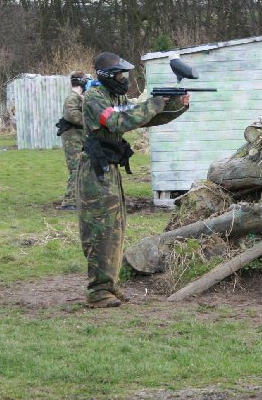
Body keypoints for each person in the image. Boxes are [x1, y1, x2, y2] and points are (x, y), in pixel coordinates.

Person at [77, 52, 190, 308]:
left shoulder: (114, 96)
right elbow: (119, 122)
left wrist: (176, 106)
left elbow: (142, 117)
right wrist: (156, 102)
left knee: (116, 230)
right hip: (95, 171)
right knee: (101, 230)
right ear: (107, 75)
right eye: (119, 74)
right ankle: (97, 292)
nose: (123, 78)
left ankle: (108, 285)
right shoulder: (95, 97)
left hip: (109, 169)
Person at [57, 71, 89, 210]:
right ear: (82, 83)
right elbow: (72, 116)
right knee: (76, 168)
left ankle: (79, 198)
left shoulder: (79, 98)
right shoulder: (72, 98)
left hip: (78, 137)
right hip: (72, 138)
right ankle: (69, 202)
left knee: (83, 167)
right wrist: (90, 121)